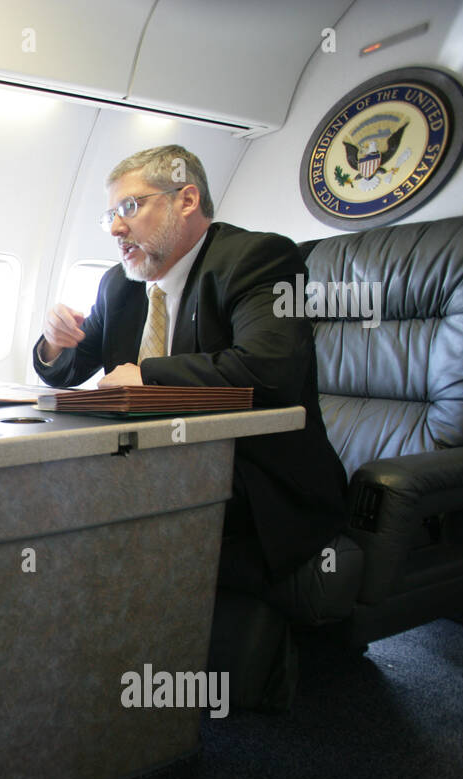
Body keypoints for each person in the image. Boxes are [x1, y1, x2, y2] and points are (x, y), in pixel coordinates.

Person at [34, 145, 349, 679]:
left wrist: (148, 375)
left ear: (186, 198)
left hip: (260, 478)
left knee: (77, 504)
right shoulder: (121, 285)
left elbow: (269, 371)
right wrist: (53, 343)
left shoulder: (259, 259)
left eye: (129, 208)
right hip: (156, 463)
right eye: (109, 215)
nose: (115, 229)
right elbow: (65, 371)